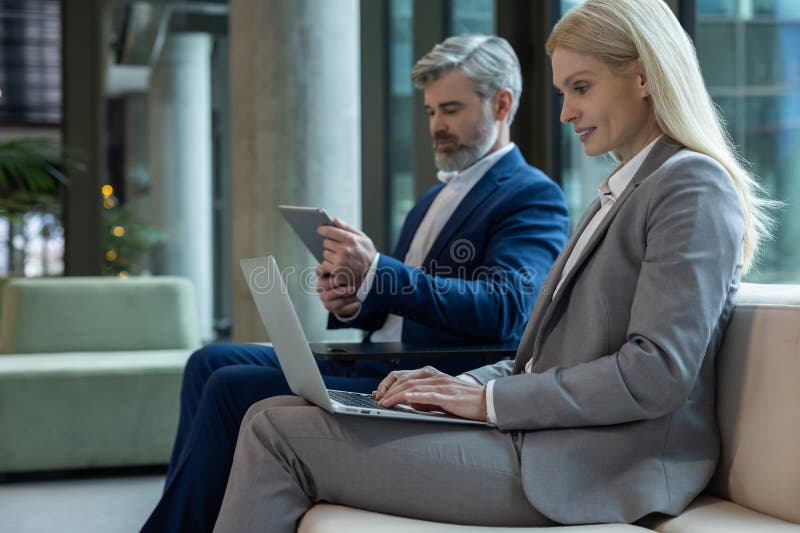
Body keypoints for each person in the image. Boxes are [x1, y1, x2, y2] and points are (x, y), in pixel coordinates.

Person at [211, 0, 774, 530]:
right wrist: (452, 387)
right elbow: (540, 360)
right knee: (272, 410)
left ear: (646, 76)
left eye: (581, 88)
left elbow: (656, 371)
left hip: (595, 466)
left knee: (275, 431)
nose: (565, 113)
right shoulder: (623, 189)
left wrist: (485, 401)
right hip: (544, 440)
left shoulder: (691, 186)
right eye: (562, 91)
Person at [140, 35, 569, 532]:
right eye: (430, 112)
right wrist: (353, 300)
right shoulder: (434, 198)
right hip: (378, 356)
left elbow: (507, 308)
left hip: (416, 378)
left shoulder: (533, 196)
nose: (436, 127)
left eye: (450, 109)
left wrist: (380, 272)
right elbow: (399, 307)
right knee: (208, 360)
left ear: (502, 104)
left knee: (231, 386)